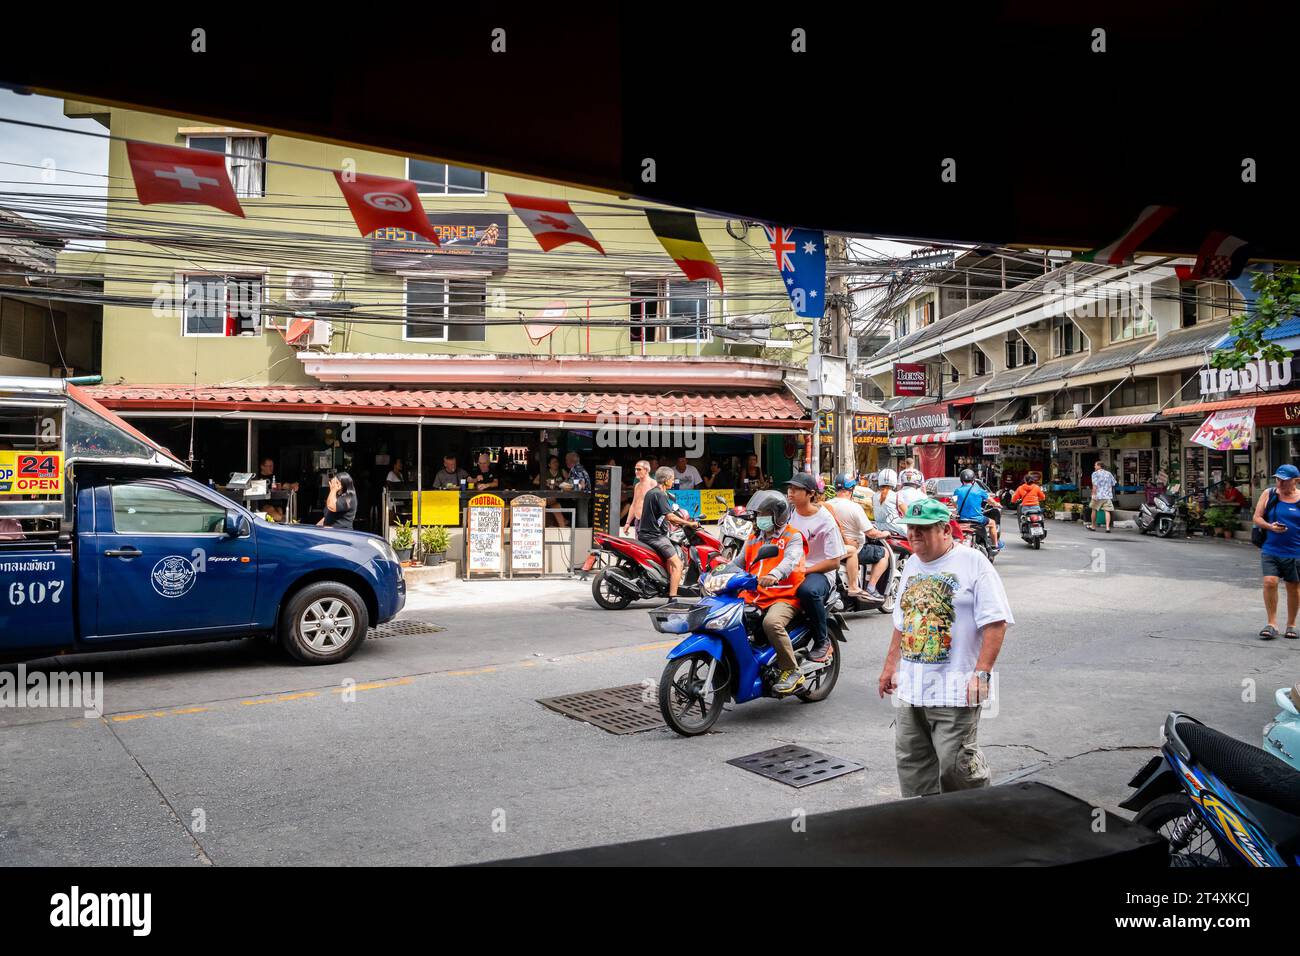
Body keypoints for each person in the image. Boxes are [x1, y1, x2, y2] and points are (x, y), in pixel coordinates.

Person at [878, 497, 1014, 797]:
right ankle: (924, 826)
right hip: (911, 689)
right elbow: (902, 621)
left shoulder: (973, 562)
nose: (914, 535)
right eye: (911, 528)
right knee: (913, 764)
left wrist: (982, 673)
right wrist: (890, 665)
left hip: (955, 688)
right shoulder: (912, 563)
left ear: (945, 531)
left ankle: (977, 820)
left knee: (957, 767)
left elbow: (996, 622)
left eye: (923, 529)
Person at [715, 490, 809, 695]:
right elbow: (737, 563)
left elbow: (790, 561)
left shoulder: (792, 536)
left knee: (771, 624)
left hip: (783, 596)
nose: (760, 518)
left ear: (778, 514)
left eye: (765, 513)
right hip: (754, 595)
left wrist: (775, 574)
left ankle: (791, 670)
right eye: (759, 514)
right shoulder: (753, 538)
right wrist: (717, 573)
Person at [786, 472, 847, 663]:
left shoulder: (825, 521)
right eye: (790, 488)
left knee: (808, 591)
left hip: (820, 572)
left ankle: (822, 641)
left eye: (796, 489)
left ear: (810, 493)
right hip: (790, 568)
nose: (790, 492)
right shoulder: (788, 513)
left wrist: (805, 571)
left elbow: (834, 562)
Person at [639, 466, 698, 602]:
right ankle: (672, 597)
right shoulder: (661, 494)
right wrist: (688, 523)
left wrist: (677, 522)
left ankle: (664, 585)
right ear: (665, 480)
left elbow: (660, 515)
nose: (673, 481)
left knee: (669, 560)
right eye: (672, 479)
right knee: (678, 564)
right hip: (655, 537)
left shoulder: (652, 492)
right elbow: (670, 516)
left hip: (646, 534)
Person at [1254, 464, 1300, 641]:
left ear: (1296, 480)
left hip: (1295, 550)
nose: (1279, 483)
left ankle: (1291, 624)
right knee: (1269, 582)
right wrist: (1270, 526)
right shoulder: (1270, 494)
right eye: (1277, 479)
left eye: (1284, 480)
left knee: (1293, 587)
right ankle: (1272, 623)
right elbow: (1257, 517)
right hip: (1271, 548)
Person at [827, 472, 889, 600]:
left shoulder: (827, 505)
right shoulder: (854, 507)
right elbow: (871, 533)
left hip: (831, 548)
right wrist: (884, 533)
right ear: (852, 489)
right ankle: (871, 588)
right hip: (853, 548)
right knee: (883, 553)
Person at [954, 469, 1001, 551]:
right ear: (973, 480)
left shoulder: (957, 491)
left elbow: (954, 503)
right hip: (977, 520)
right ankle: (995, 545)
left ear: (961, 480)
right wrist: (997, 504)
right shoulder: (978, 490)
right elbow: (990, 501)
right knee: (993, 523)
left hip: (962, 520)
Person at [622, 459, 657, 536]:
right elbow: (634, 504)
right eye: (635, 469)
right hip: (638, 521)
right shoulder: (637, 486)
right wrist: (627, 523)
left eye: (639, 469)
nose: (636, 471)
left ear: (646, 470)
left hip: (650, 522)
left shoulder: (653, 484)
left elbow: (659, 504)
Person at [873, 468, 906, 536]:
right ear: (894, 481)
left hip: (878, 527)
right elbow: (907, 514)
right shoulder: (896, 496)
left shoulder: (874, 496)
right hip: (895, 527)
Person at [1088, 460, 1117, 532]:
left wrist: (1093, 494)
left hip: (1098, 495)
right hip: (1107, 496)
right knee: (1107, 511)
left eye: (1095, 465)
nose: (1094, 466)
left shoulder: (1095, 474)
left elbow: (1094, 485)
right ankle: (1107, 527)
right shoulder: (1109, 473)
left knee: (1094, 509)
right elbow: (1113, 484)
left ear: (1099, 466)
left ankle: (1093, 526)